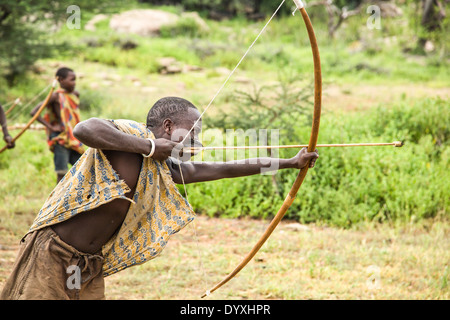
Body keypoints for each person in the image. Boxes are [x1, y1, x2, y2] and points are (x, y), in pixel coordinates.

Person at [0, 96, 319, 300]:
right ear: (168, 126)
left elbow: (218, 168)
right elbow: (85, 129)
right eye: (192, 132)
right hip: (52, 255)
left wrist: (290, 163)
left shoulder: (163, 167)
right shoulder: (130, 135)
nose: (196, 140)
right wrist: (150, 147)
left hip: (86, 267)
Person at [31, 67, 84, 183]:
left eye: (75, 80)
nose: (74, 83)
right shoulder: (55, 96)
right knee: (62, 173)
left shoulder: (75, 94)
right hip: (60, 138)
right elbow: (34, 112)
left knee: (83, 168)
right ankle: (57, 200)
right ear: (60, 80)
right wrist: (51, 127)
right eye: (71, 80)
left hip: (73, 138)